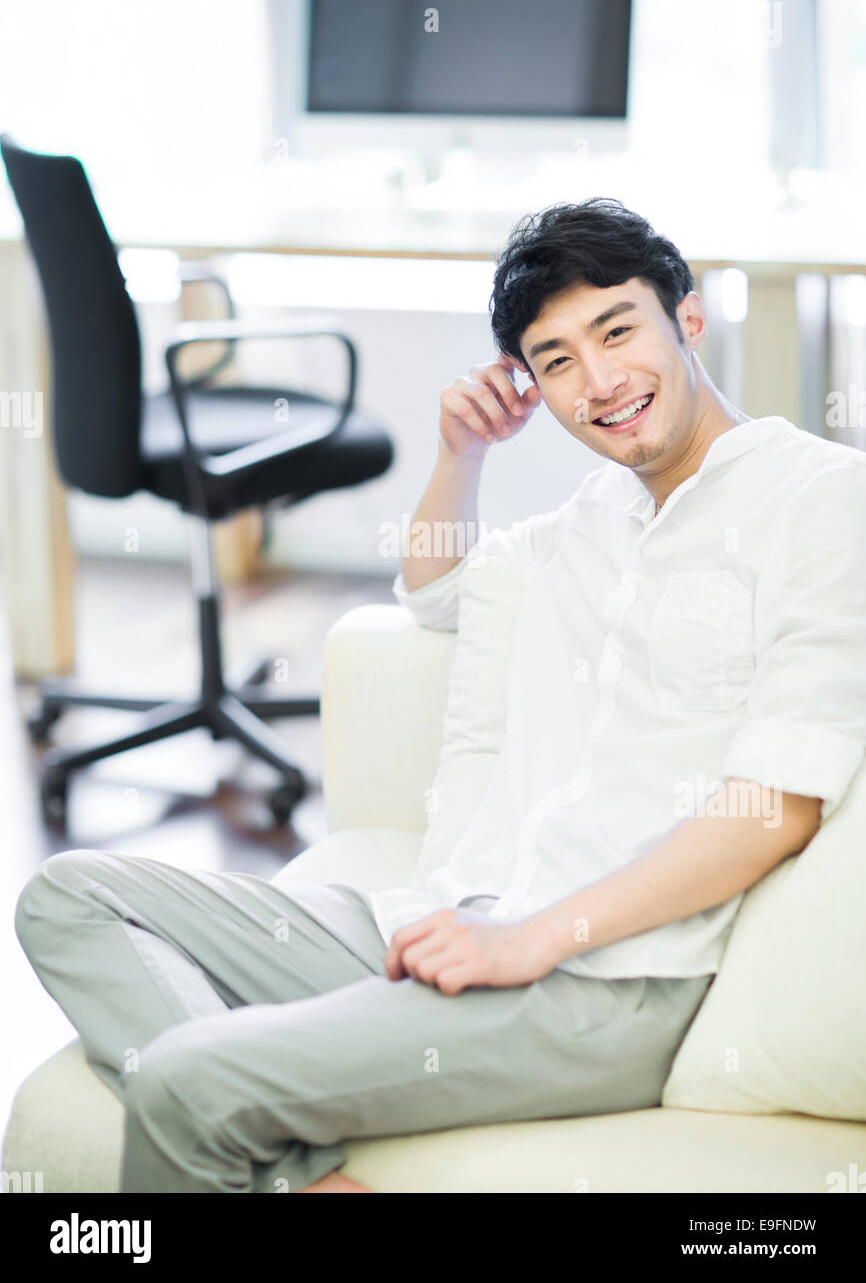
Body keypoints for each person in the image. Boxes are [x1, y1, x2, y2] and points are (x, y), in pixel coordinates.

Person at [15, 198, 866, 1194]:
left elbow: (777, 801)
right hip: (440, 917)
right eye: (554, 361)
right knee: (65, 896)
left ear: (685, 320)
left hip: (598, 980)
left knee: (181, 1078)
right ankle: (303, 1173)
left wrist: (535, 936)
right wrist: (459, 454)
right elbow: (432, 591)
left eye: (616, 330)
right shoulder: (594, 516)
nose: (597, 381)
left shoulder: (817, 501)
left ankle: (229, 1106)